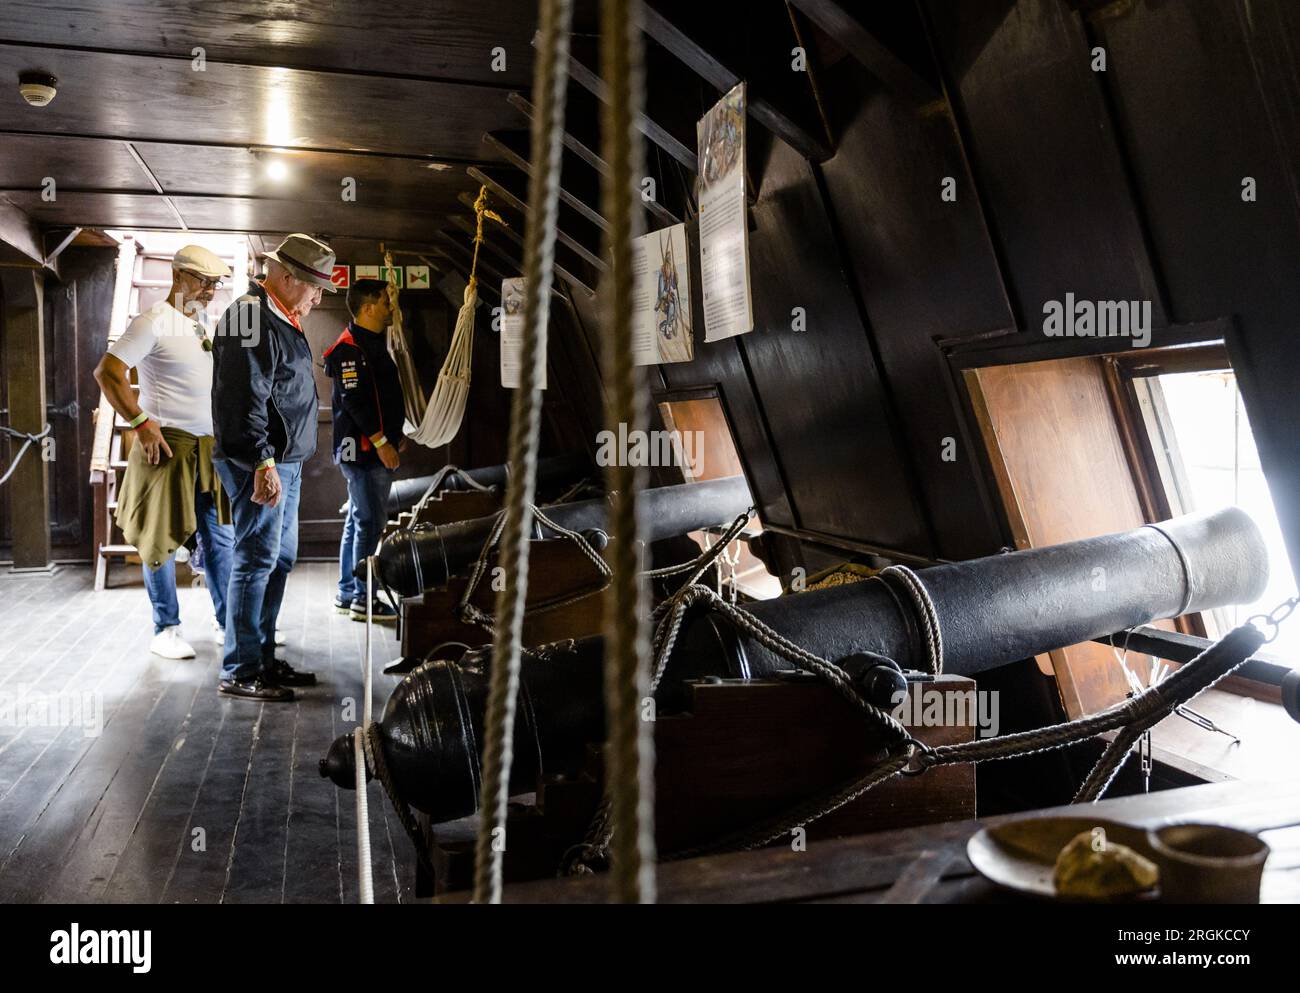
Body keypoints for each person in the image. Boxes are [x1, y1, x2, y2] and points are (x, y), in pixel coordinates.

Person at [210, 233, 335, 701]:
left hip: (286, 462)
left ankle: (261, 656)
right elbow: (242, 396)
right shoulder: (249, 316)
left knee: (278, 559)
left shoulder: (280, 314)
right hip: (260, 462)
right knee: (255, 560)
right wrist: (261, 459)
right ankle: (240, 669)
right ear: (285, 276)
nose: (318, 298)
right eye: (314, 287)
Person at [93, 245, 234, 660]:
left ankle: (228, 623)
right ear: (177, 276)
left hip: (207, 451)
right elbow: (108, 372)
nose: (210, 291)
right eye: (202, 281)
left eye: (214, 283)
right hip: (167, 448)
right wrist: (140, 422)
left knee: (221, 539)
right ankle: (165, 628)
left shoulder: (200, 323)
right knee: (161, 541)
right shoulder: (152, 322)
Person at [322, 279, 405, 622]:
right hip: (362, 450)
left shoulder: (370, 341)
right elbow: (355, 401)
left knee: (358, 520)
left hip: (371, 447)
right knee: (369, 522)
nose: (390, 308)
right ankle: (364, 598)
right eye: (386, 302)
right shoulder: (349, 349)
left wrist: (394, 433)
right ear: (368, 307)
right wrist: (383, 442)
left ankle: (347, 591)